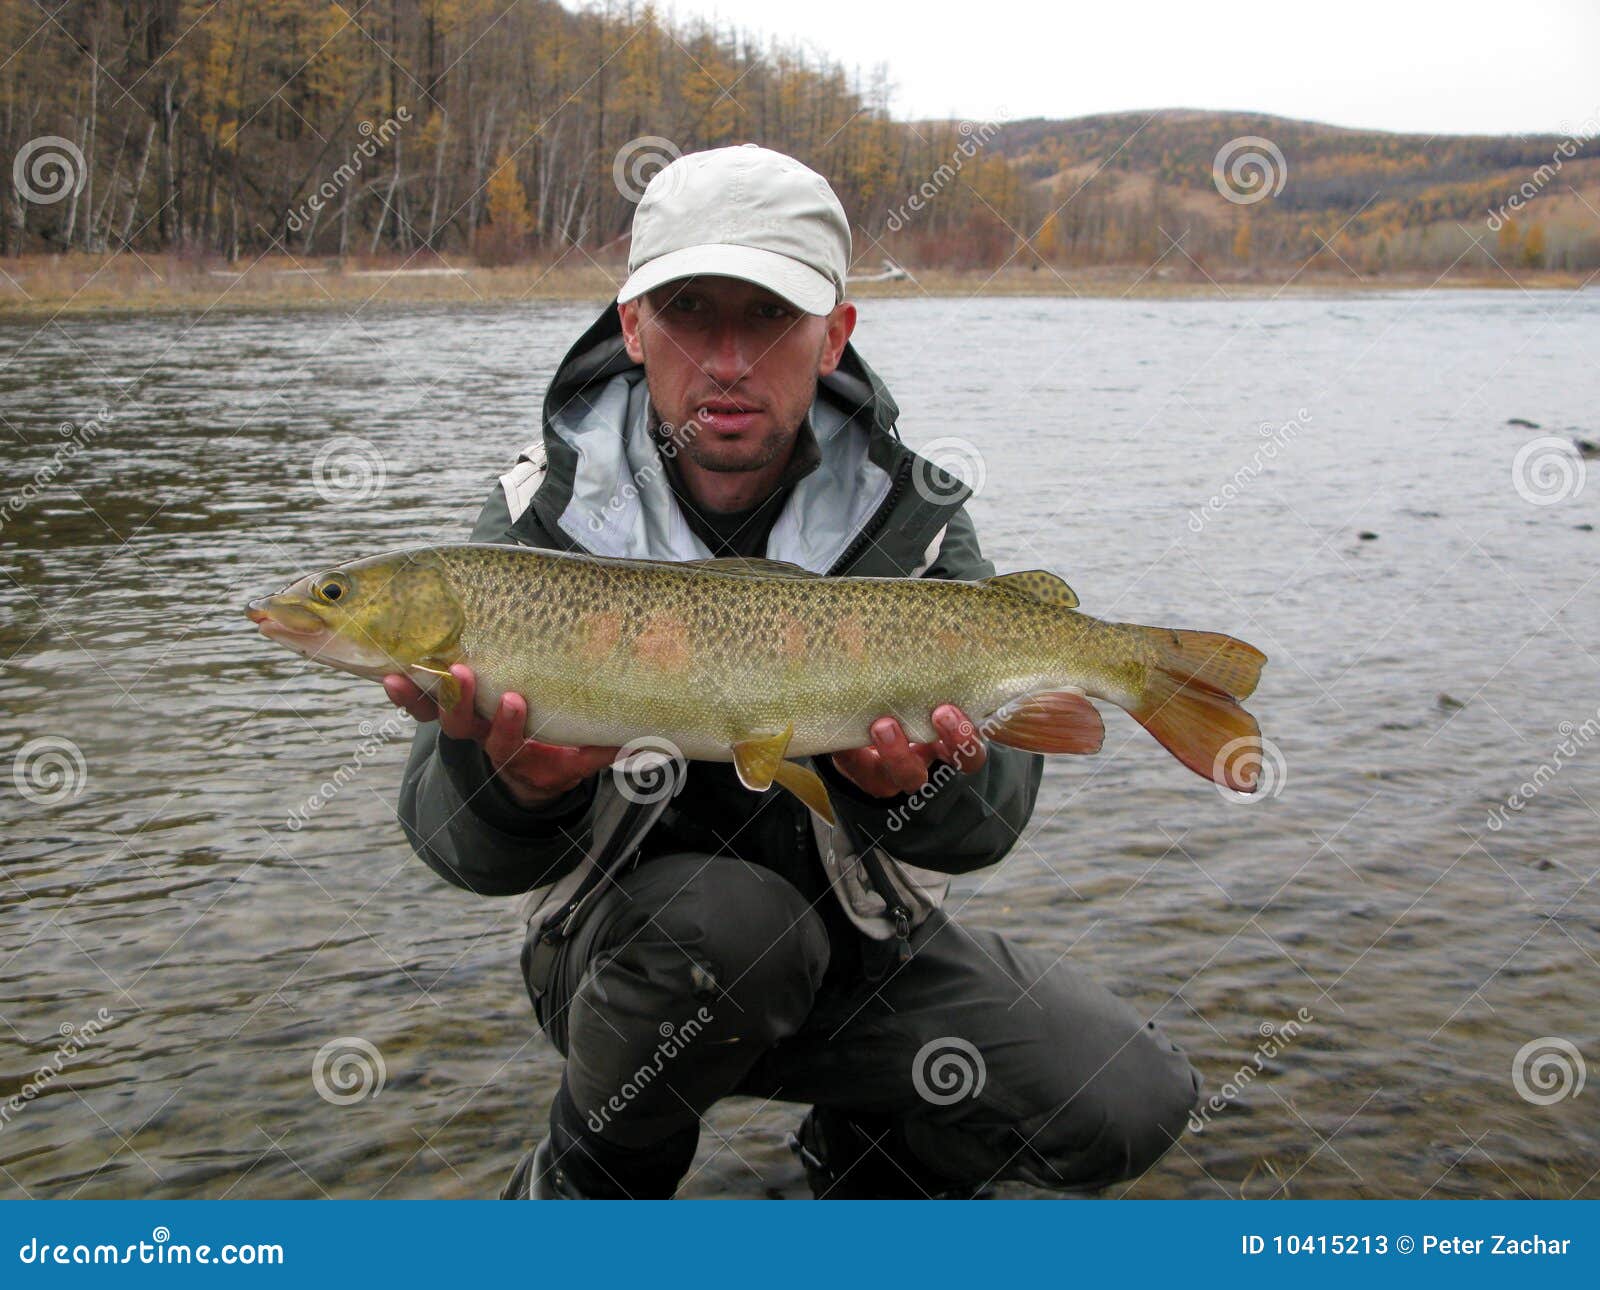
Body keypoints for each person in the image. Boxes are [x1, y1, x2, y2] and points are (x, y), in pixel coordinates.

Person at [386, 143, 1200, 1199]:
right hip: (623, 972)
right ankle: (586, 1193)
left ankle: (864, 1173)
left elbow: (988, 828)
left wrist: (923, 790)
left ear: (834, 336)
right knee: (728, 933)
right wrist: (507, 787)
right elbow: (455, 851)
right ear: (633, 326)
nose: (728, 360)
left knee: (1126, 1099)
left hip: (860, 947)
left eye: (768, 318)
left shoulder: (913, 519)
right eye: (690, 312)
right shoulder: (535, 524)